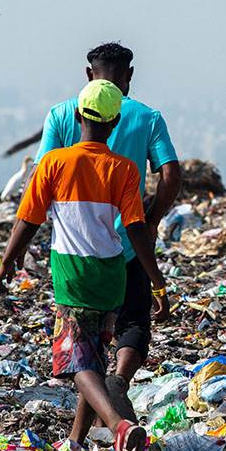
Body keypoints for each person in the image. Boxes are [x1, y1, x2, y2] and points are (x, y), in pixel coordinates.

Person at [0, 79, 170, 451]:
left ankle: (119, 426)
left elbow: (29, 219)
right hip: (112, 277)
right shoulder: (124, 169)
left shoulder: (54, 163)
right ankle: (75, 441)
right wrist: (156, 281)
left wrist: (10, 258)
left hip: (73, 277)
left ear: (77, 116)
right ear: (115, 121)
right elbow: (137, 230)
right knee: (92, 355)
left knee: (80, 365)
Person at [35, 42, 182, 388]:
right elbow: (171, 174)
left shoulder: (62, 114)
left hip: (74, 253)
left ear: (89, 76)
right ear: (129, 76)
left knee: (82, 340)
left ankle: (98, 410)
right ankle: (119, 382)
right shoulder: (147, 118)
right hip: (129, 246)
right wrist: (152, 219)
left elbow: (42, 174)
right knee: (134, 324)